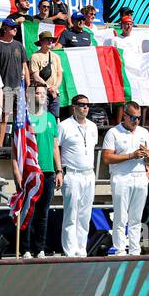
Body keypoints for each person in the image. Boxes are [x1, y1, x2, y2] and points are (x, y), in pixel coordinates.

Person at [102, 101, 149, 256]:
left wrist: (147, 155)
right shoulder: (113, 132)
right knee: (120, 217)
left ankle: (135, 250)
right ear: (124, 115)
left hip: (139, 177)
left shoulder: (143, 132)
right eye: (132, 117)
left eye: (138, 118)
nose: (136, 121)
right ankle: (119, 250)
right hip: (121, 177)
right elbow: (106, 158)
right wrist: (131, 155)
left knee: (136, 218)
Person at [57, 92, 99, 257]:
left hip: (88, 174)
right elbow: (56, 149)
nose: (85, 108)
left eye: (87, 105)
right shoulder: (64, 126)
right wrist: (59, 171)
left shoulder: (93, 126)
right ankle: (69, 251)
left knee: (85, 214)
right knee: (71, 214)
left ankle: (81, 249)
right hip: (72, 174)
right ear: (74, 106)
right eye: (82, 104)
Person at [24, 84, 60, 257]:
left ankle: (40, 248)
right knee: (29, 211)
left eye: (43, 93)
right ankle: (26, 248)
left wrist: (59, 170)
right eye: (37, 93)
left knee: (43, 213)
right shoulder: (25, 118)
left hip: (48, 171)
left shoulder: (51, 118)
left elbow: (54, 147)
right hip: (31, 171)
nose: (41, 96)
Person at [0, 19, 29, 146]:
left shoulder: (19, 45)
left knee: (21, 118)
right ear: (4, 28)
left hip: (19, 87)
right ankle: (0, 146)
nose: (15, 29)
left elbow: (24, 65)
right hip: (4, 88)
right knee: (4, 118)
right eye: (12, 27)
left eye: (15, 27)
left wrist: (27, 85)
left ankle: (19, 147)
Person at [28, 28, 63, 117]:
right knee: (39, 117)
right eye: (47, 40)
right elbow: (36, 76)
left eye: (51, 40)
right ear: (41, 42)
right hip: (40, 93)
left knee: (55, 117)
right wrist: (49, 89)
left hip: (55, 92)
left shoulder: (56, 56)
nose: (50, 42)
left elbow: (60, 74)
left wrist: (55, 87)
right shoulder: (35, 56)